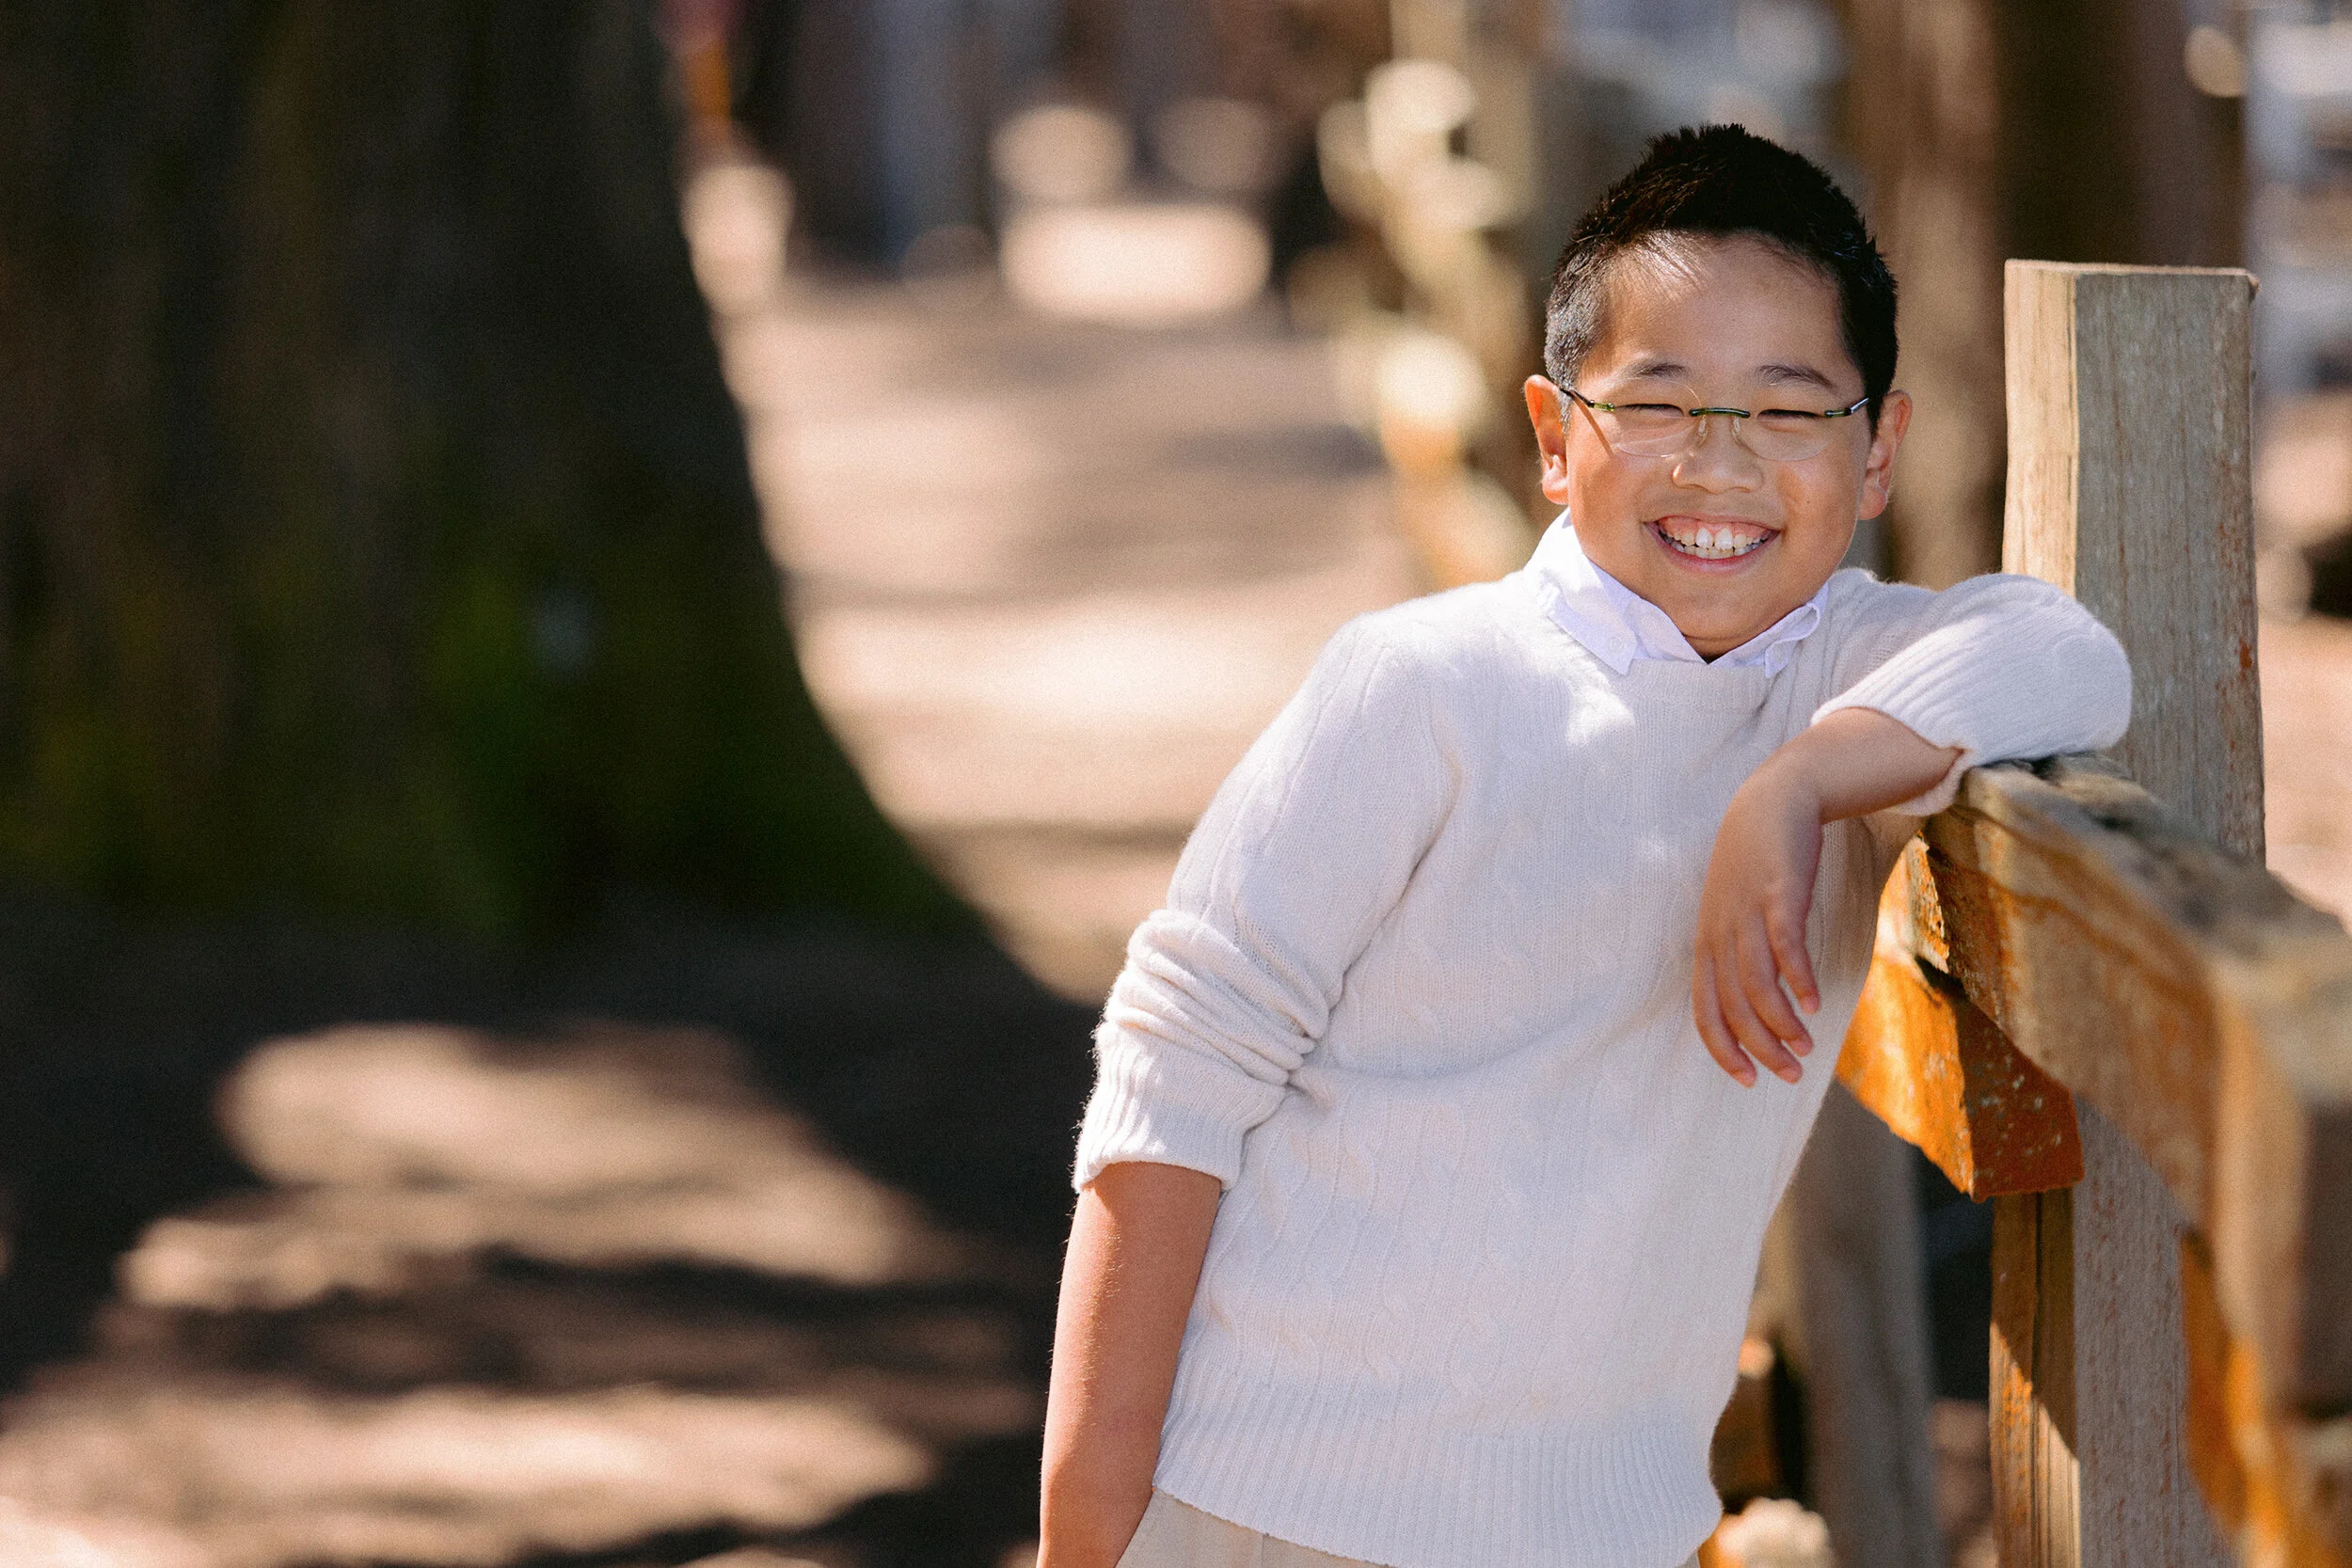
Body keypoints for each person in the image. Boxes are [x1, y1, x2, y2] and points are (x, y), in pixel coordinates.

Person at [1038, 125, 2130, 1568]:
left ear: (1877, 455)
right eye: (1661, 401)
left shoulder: (1845, 677)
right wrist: (1087, 1516)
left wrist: (1794, 785)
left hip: (1607, 1530)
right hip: (1269, 1504)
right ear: (1557, 438)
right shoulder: (1422, 684)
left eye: (1788, 409)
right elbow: (1180, 1062)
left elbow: (2070, 650)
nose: (1720, 461)